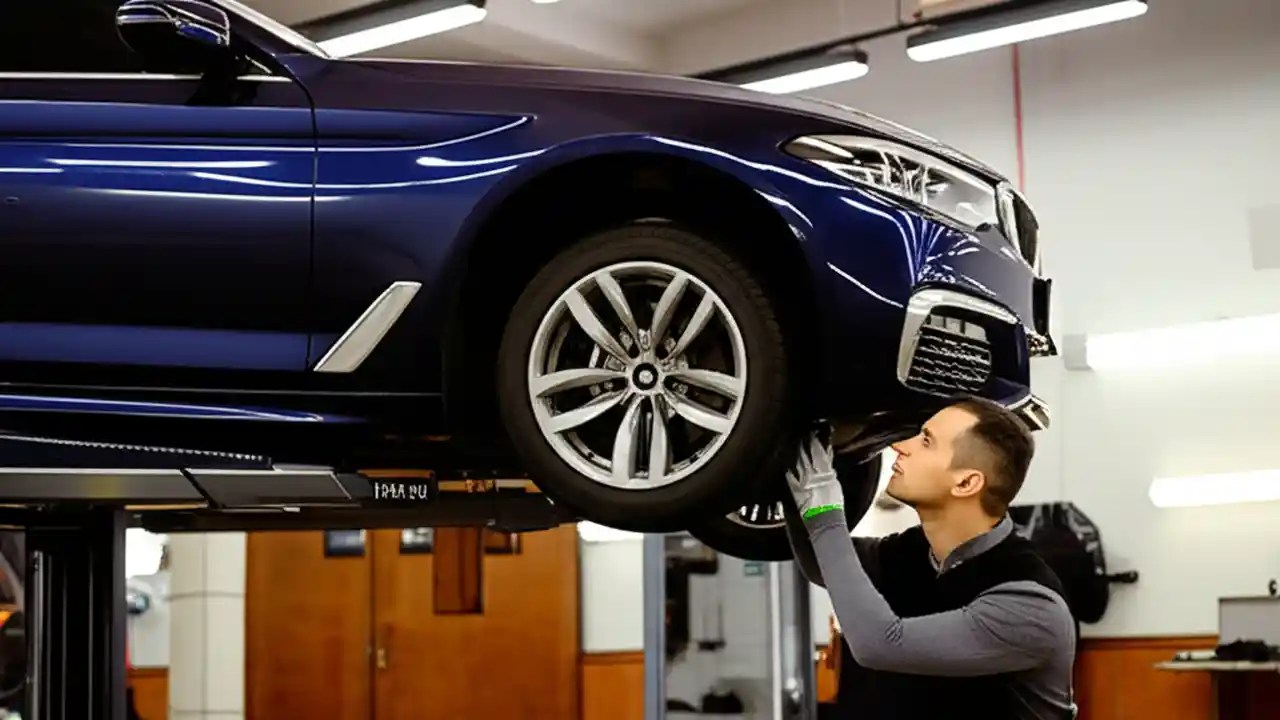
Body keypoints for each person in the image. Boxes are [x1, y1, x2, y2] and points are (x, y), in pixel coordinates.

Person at [784, 396, 1077, 720]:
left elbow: (881, 643)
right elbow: (822, 559)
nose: (901, 447)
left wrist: (824, 510)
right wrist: (786, 467)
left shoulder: (1030, 607)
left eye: (926, 441)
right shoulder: (910, 553)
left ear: (966, 482)